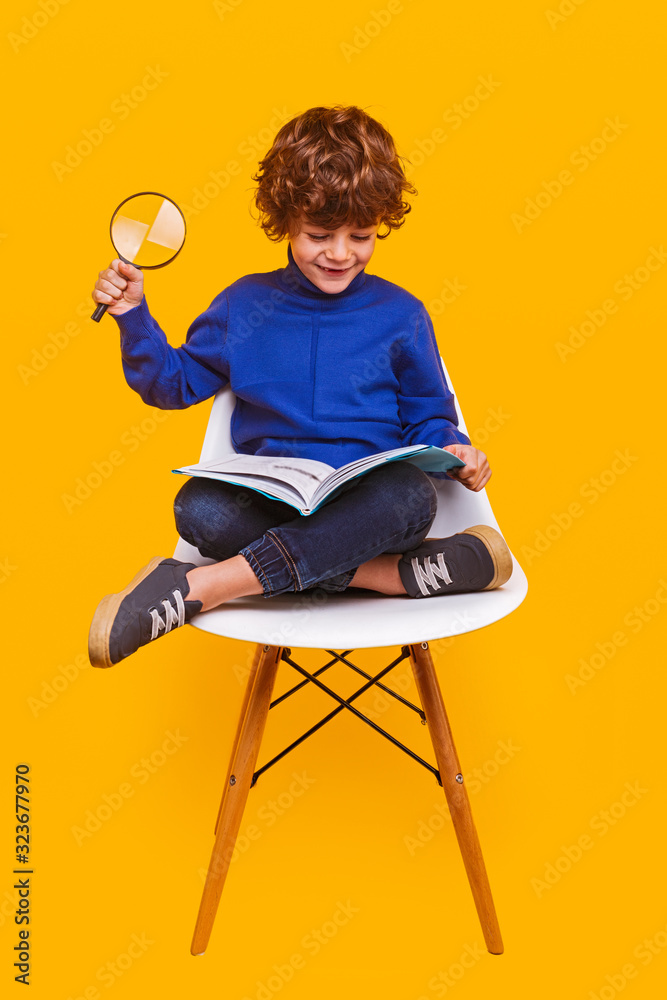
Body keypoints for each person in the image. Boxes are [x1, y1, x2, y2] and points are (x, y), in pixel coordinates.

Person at [88, 105, 512, 669]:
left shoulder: (402, 314)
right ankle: (392, 577)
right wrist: (133, 318)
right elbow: (172, 384)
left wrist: (455, 449)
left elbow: (429, 416)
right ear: (284, 221)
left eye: (361, 236)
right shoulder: (243, 305)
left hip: (373, 511)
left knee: (409, 495)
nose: (340, 253)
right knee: (199, 509)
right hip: (275, 507)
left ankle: (202, 587)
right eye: (319, 235)